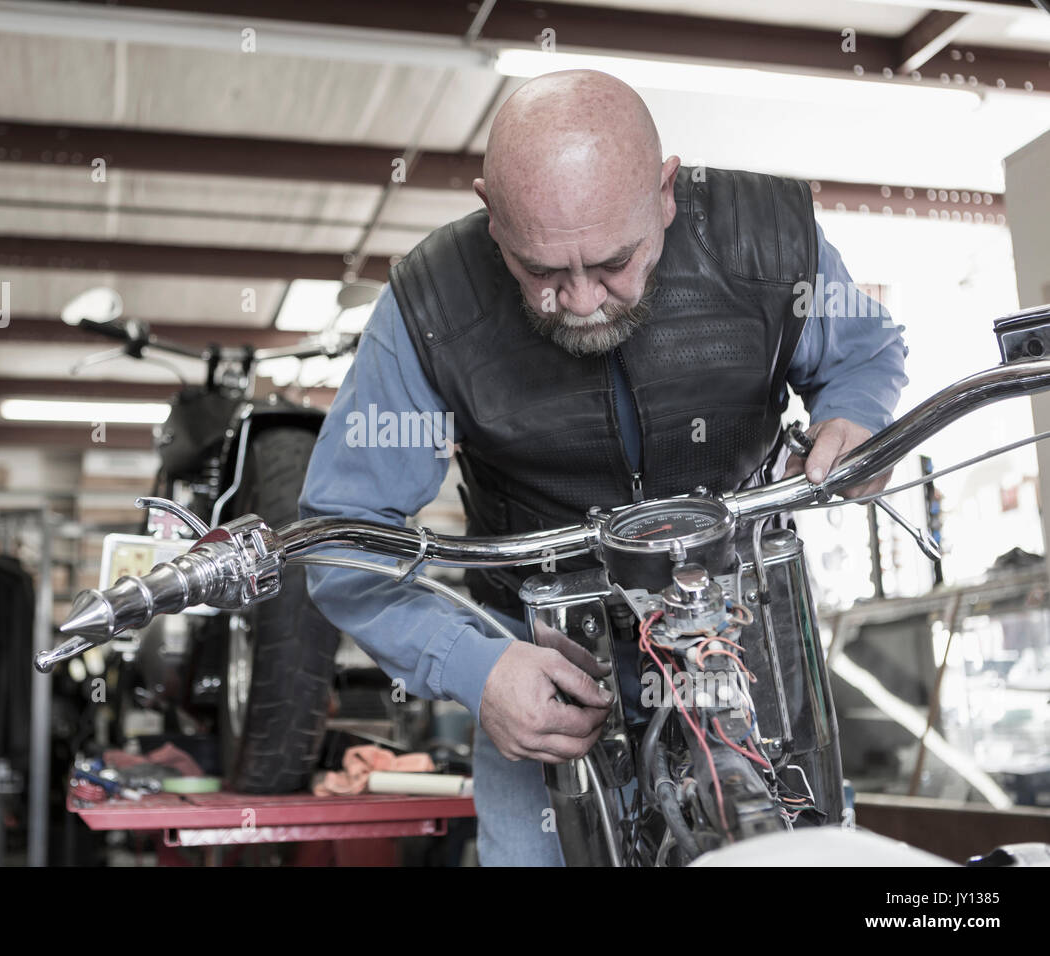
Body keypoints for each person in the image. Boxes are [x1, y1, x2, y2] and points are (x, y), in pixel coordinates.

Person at [298, 70, 907, 865]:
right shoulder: (430, 309)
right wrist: (475, 668)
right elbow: (343, 535)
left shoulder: (770, 240)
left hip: (743, 636)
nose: (583, 301)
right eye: (542, 272)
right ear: (491, 214)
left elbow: (865, 353)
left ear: (665, 192)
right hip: (538, 672)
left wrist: (858, 419)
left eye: (614, 261)